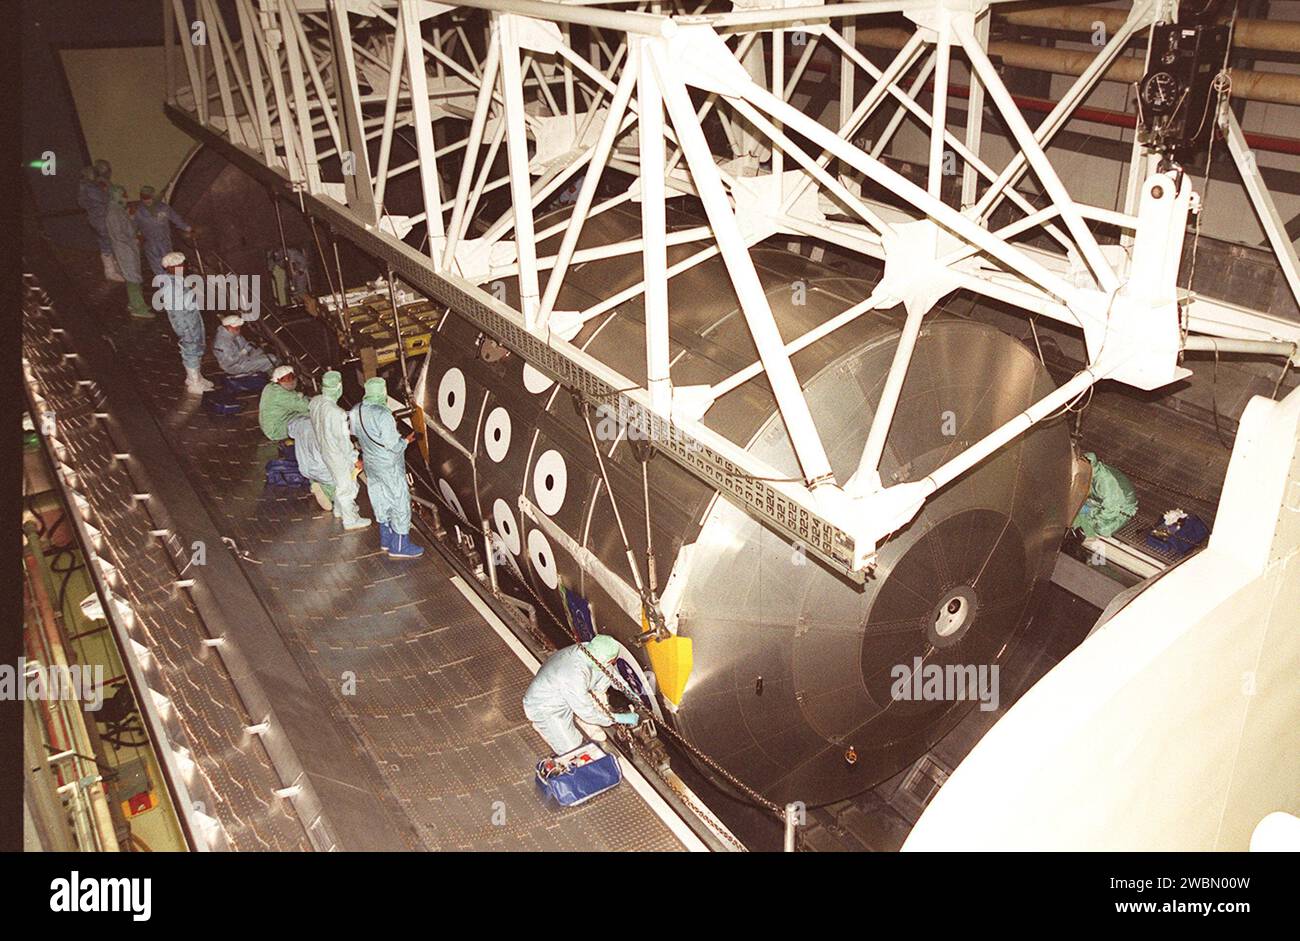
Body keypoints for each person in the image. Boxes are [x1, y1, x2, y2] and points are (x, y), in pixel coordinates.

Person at [522, 635, 639, 757]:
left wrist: (632, 694)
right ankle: (544, 726)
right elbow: (588, 712)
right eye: (612, 661)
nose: (613, 663)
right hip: (546, 706)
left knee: (603, 674)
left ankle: (586, 719)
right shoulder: (575, 675)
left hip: (569, 692)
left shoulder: (590, 651)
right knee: (573, 749)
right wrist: (617, 718)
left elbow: (611, 674)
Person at [349, 377, 423, 559]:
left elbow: (354, 433)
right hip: (388, 465)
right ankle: (399, 545)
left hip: (371, 462)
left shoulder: (355, 410)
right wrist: (407, 440)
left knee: (380, 497)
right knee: (399, 501)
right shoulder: (383, 415)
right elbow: (393, 445)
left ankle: (385, 539)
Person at [259, 365, 332, 508]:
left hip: (274, 423)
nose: (291, 382)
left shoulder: (271, 388)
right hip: (277, 429)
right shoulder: (282, 395)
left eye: (292, 378)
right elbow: (306, 406)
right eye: (287, 379)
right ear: (278, 381)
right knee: (307, 421)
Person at [310, 370, 370, 530]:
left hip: (324, 450)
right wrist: (355, 458)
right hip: (338, 455)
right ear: (338, 386)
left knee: (337, 481)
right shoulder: (338, 414)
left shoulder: (316, 402)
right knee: (347, 487)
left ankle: (339, 509)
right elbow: (344, 442)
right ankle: (350, 520)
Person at [156, 251, 214, 393]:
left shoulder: (178, 279)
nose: (181, 267)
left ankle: (196, 377)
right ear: (169, 268)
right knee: (191, 348)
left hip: (191, 317)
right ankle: (193, 382)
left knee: (197, 346)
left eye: (182, 264)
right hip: (184, 320)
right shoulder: (169, 284)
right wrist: (184, 327)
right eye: (177, 265)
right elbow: (176, 309)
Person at [105, 184, 152, 319]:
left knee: (133, 275)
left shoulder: (118, 210)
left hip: (128, 247)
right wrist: (134, 237)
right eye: (123, 194)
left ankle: (135, 303)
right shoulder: (113, 212)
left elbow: (126, 227)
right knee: (133, 277)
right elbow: (119, 234)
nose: (125, 197)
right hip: (125, 248)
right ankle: (138, 308)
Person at [135, 185, 194, 278]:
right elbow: (134, 227)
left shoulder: (163, 208)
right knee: (158, 268)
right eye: (144, 198)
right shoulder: (139, 212)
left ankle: (179, 285)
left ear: (153, 196)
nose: (147, 201)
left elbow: (176, 218)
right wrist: (135, 238)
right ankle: (165, 287)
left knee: (173, 264)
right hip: (150, 244)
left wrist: (187, 228)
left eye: (149, 197)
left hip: (164, 242)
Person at [77, 164, 121, 281]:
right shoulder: (91, 188)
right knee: (107, 243)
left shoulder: (86, 188)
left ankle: (112, 268)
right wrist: (107, 189)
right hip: (100, 219)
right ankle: (111, 271)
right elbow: (106, 199)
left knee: (106, 242)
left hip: (97, 218)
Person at [213, 315, 279, 376]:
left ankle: (265, 370)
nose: (239, 329)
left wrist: (252, 345)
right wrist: (243, 352)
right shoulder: (222, 342)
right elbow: (228, 362)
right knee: (272, 359)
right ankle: (274, 377)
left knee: (264, 350)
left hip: (243, 357)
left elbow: (244, 344)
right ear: (229, 327)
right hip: (234, 366)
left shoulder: (233, 333)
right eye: (237, 328)